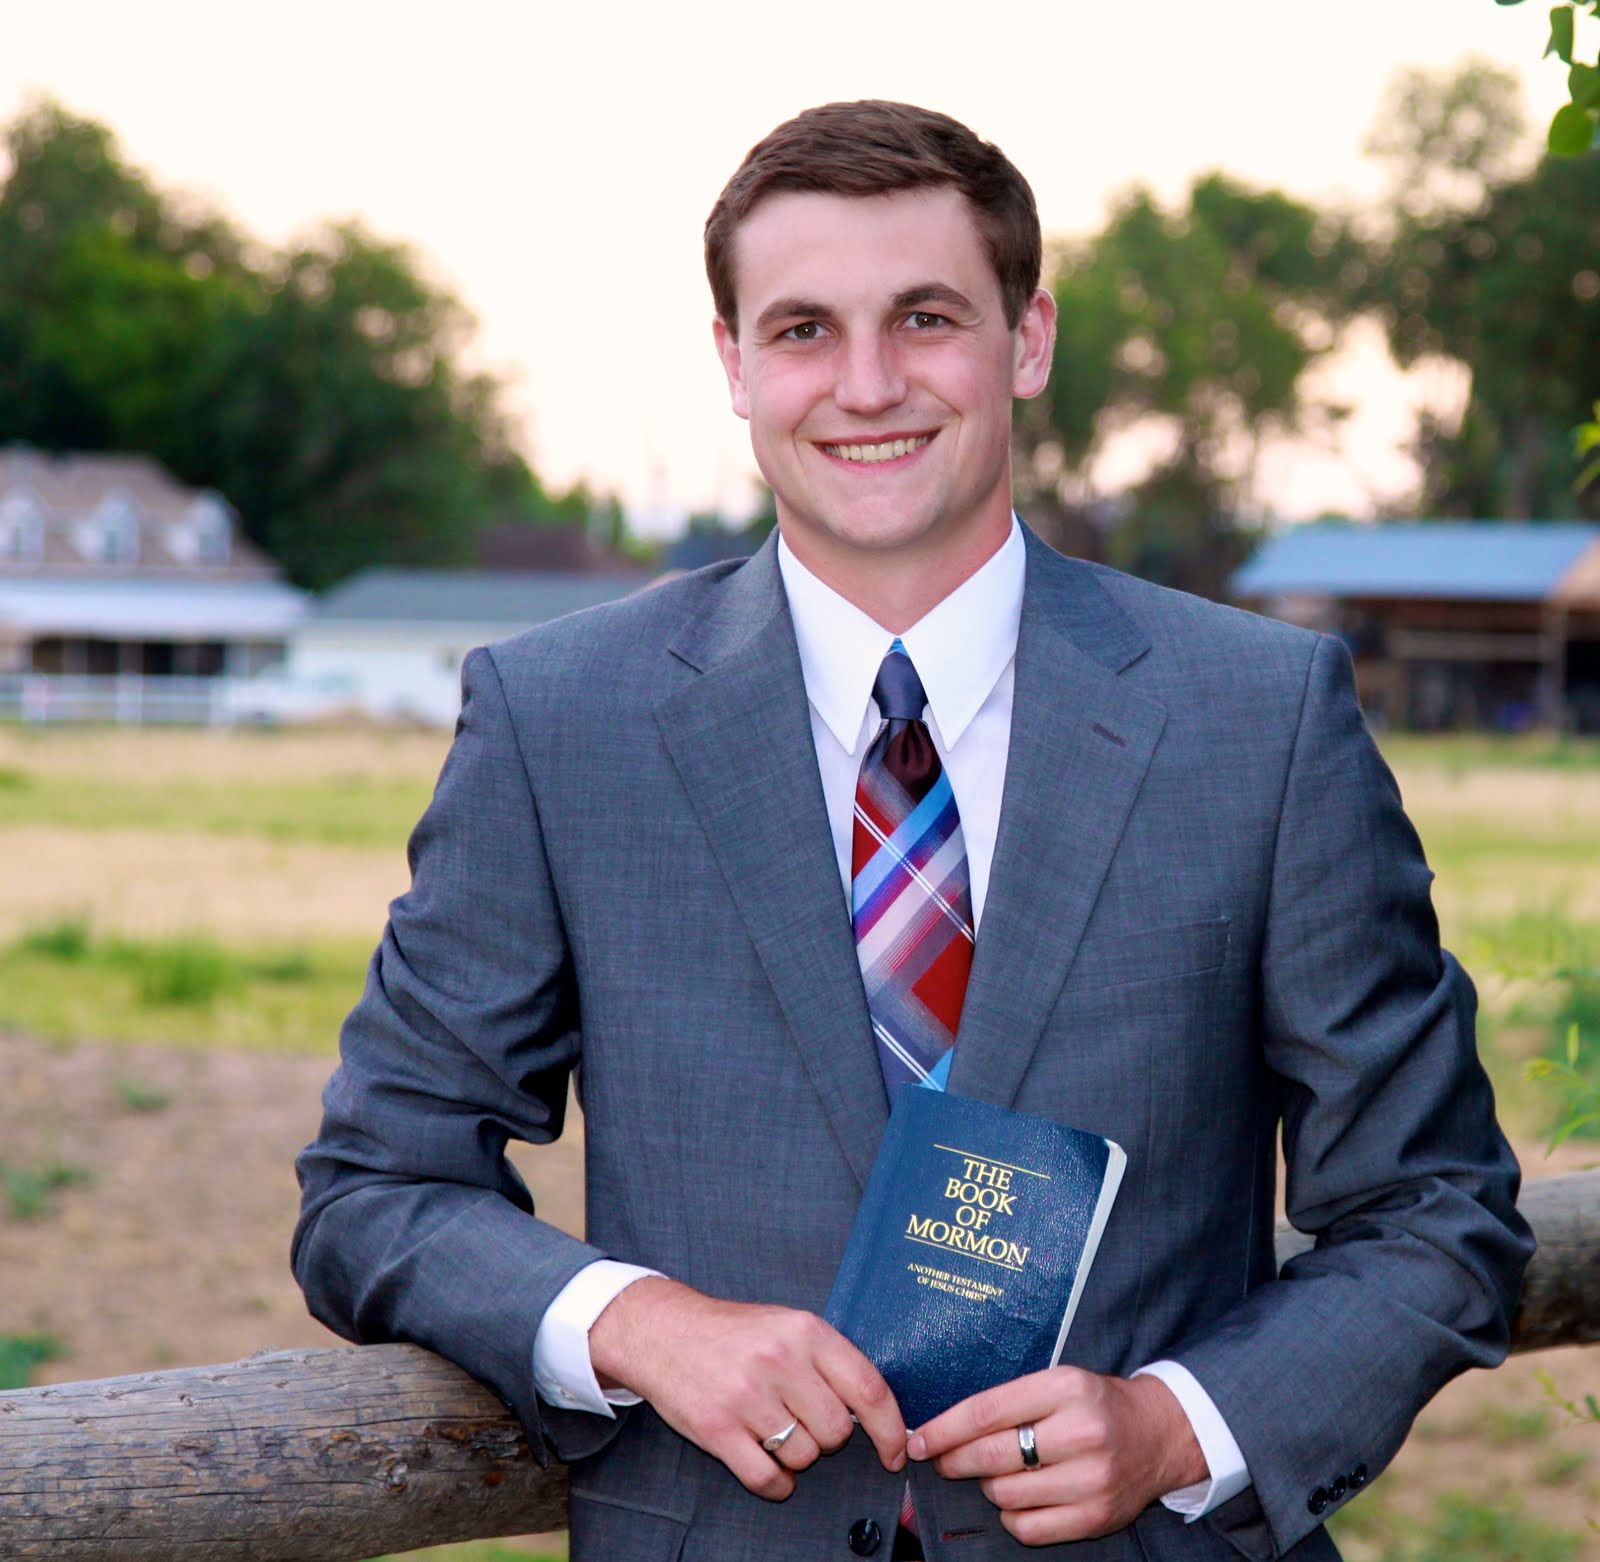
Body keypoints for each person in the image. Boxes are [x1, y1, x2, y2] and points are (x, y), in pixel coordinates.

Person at [293, 101, 1532, 1561]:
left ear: (1028, 341)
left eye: (927, 317)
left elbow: (1438, 1212)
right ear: (735, 365)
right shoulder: (559, 719)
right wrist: (634, 1323)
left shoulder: (1260, 719)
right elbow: (380, 1187)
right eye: (805, 328)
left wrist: (1181, 1423)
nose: (867, 384)